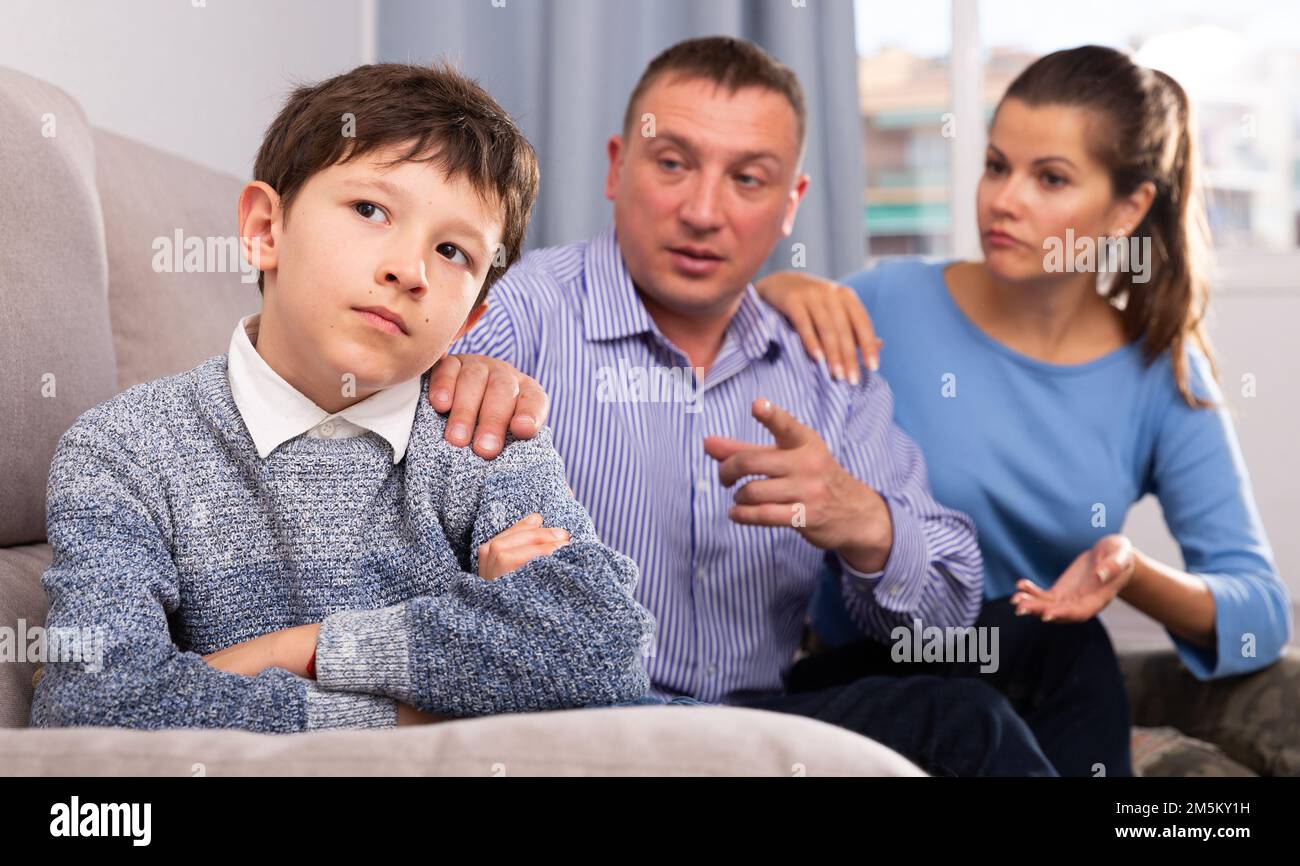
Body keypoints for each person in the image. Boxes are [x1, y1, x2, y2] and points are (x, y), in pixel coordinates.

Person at [439, 36, 1055, 776]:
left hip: (759, 726)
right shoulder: (519, 315)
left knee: (967, 722)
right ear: (616, 166)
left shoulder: (823, 365)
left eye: (749, 179)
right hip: (584, 726)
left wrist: (863, 523)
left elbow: (947, 615)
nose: (703, 212)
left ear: (791, 203)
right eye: (672, 163)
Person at [28, 61, 656, 732]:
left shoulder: (483, 438)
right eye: (370, 210)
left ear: (470, 318)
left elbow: (607, 647)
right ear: (266, 230)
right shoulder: (125, 449)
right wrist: (424, 711)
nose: (408, 270)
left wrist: (294, 650)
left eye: (452, 252)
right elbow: (92, 704)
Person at [755, 45, 1293, 776]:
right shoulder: (882, 302)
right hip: (871, 668)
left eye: (1051, 179)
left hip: (1039, 678)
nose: (1004, 200)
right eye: (996, 164)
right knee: (1064, 652)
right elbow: (717, 371)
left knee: (1074, 645)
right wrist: (768, 297)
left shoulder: (1158, 374)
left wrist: (1130, 571)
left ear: (1128, 208)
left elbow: (1261, 614)